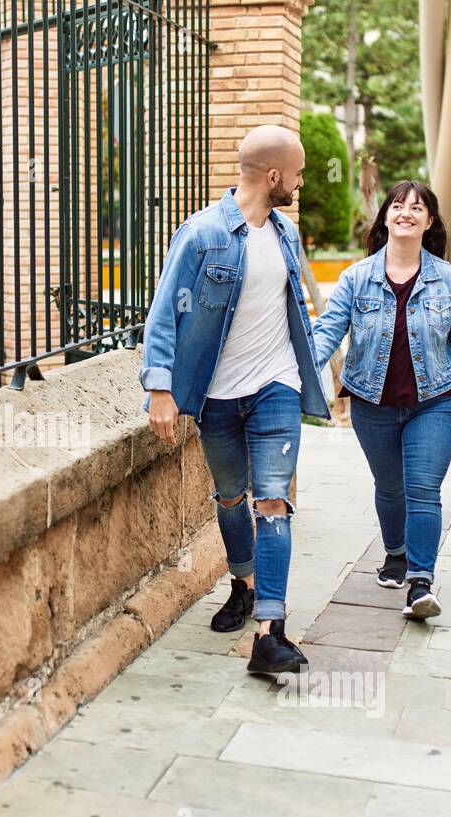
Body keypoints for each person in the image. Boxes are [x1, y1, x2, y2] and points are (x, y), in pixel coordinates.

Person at [140, 125, 331, 674]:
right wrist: (160, 388)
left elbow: (298, 308)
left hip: (276, 387)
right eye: (296, 173)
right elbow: (163, 314)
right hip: (218, 396)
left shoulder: (287, 233)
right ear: (273, 177)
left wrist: (313, 367)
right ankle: (243, 585)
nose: (300, 181)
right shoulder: (202, 235)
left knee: (271, 501)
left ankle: (271, 630)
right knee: (230, 499)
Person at [311, 181, 451, 619]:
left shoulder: (448, 279)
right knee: (390, 488)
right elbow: (328, 331)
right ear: (386, 218)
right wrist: (299, 372)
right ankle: (395, 551)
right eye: (398, 205)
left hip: (435, 401)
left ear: (429, 221)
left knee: (423, 488)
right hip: (371, 403)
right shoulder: (356, 278)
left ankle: (420, 582)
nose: (406, 213)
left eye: (417, 207)